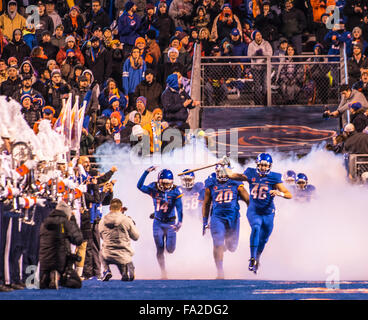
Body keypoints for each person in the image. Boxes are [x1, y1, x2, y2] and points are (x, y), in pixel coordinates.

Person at [224, 153, 292, 274]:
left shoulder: (274, 178)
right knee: (255, 228)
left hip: (268, 213)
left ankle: (257, 258)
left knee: (263, 240)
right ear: (257, 164)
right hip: (254, 210)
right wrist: (226, 165)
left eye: (266, 166)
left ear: (270, 166)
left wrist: (279, 193)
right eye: (261, 165)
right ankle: (252, 258)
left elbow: (288, 194)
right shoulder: (251, 173)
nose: (263, 168)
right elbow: (232, 175)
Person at [202, 164, 249, 279]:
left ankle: (224, 248)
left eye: (224, 172)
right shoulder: (211, 183)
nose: (222, 175)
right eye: (220, 172)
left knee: (232, 247)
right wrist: (204, 221)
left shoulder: (236, 183)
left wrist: (252, 214)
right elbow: (206, 203)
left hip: (233, 218)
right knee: (218, 243)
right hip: (217, 217)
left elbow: (248, 200)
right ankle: (220, 272)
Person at [137, 166, 183, 279]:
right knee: (160, 248)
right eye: (164, 183)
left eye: (168, 183)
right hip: (158, 223)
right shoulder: (154, 188)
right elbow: (139, 186)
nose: (166, 185)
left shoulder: (175, 191)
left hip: (171, 223)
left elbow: (179, 208)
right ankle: (163, 271)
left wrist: (180, 222)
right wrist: (146, 172)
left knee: (171, 249)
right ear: (159, 181)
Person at [39, 201, 83, 289]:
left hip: (44, 260)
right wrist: (73, 222)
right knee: (76, 283)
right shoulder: (66, 222)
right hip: (61, 260)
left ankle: (46, 277)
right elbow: (78, 240)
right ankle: (58, 275)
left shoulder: (45, 222)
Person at [99, 198, 139, 281]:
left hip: (108, 253)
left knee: (101, 253)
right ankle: (126, 271)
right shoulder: (126, 220)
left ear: (110, 208)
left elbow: (101, 236)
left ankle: (106, 270)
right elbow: (136, 237)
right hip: (124, 252)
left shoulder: (102, 220)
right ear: (121, 208)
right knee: (124, 257)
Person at [247, 30, 273, 105]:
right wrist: (256, 53)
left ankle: (265, 102)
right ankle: (257, 103)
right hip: (255, 68)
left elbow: (270, 53)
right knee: (257, 87)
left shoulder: (266, 43)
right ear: (254, 36)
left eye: (260, 34)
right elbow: (249, 55)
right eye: (257, 35)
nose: (259, 36)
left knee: (265, 85)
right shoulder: (251, 44)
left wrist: (262, 53)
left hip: (264, 67)